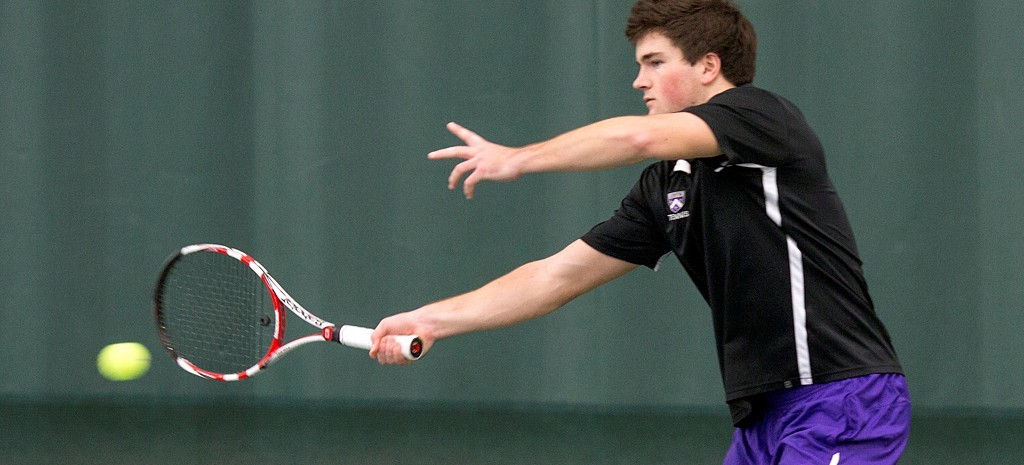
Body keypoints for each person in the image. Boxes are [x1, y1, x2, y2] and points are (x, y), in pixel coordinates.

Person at [370, 0, 911, 463]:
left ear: (708, 65)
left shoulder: (763, 117)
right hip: (761, 414)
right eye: (639, 64)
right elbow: (554, 279)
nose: (639, 80)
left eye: (655, 62)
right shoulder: (665, 187)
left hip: (842, 397)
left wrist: (519, 159)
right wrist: (432, 319)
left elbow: (637, 138)